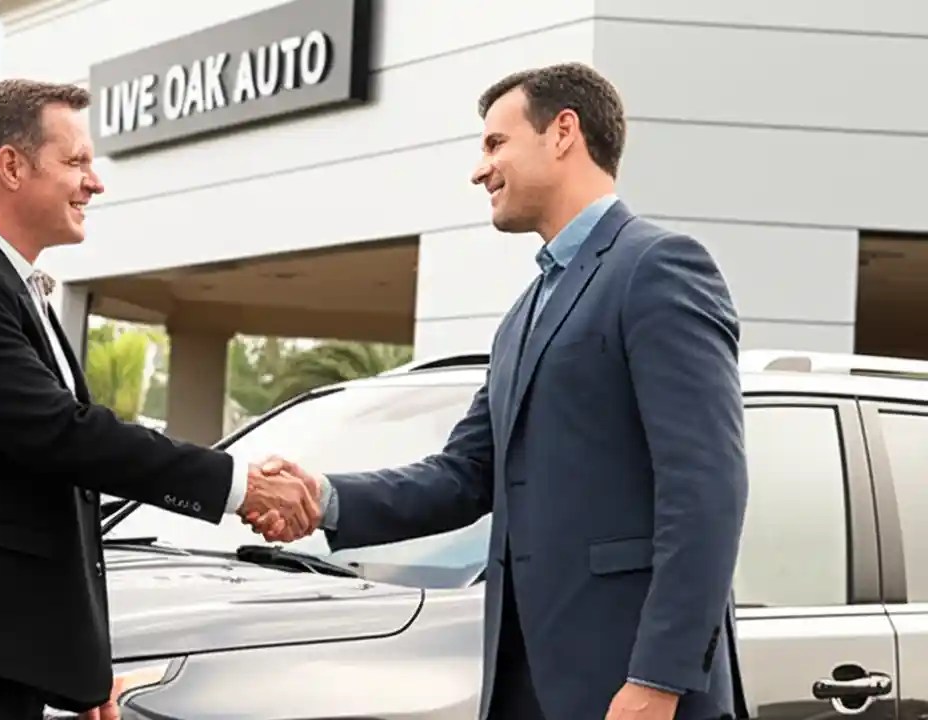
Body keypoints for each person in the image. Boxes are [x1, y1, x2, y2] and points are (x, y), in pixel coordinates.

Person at [248, 62, 749, 720]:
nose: (479, 170)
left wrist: (659, 679)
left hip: (629, 687)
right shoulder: (523, 314)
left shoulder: (658, 266)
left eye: (494, 143)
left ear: (563, 132)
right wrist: (327, 497)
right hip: (523, 683)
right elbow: (465, 475)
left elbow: (706, 488)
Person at [0, 79, 321, 720]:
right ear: (11, 166)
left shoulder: (9, 285)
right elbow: (60, 435)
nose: (94, 182)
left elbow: (38, 483)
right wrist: (240, 486)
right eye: (75, 162)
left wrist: (76, 663)